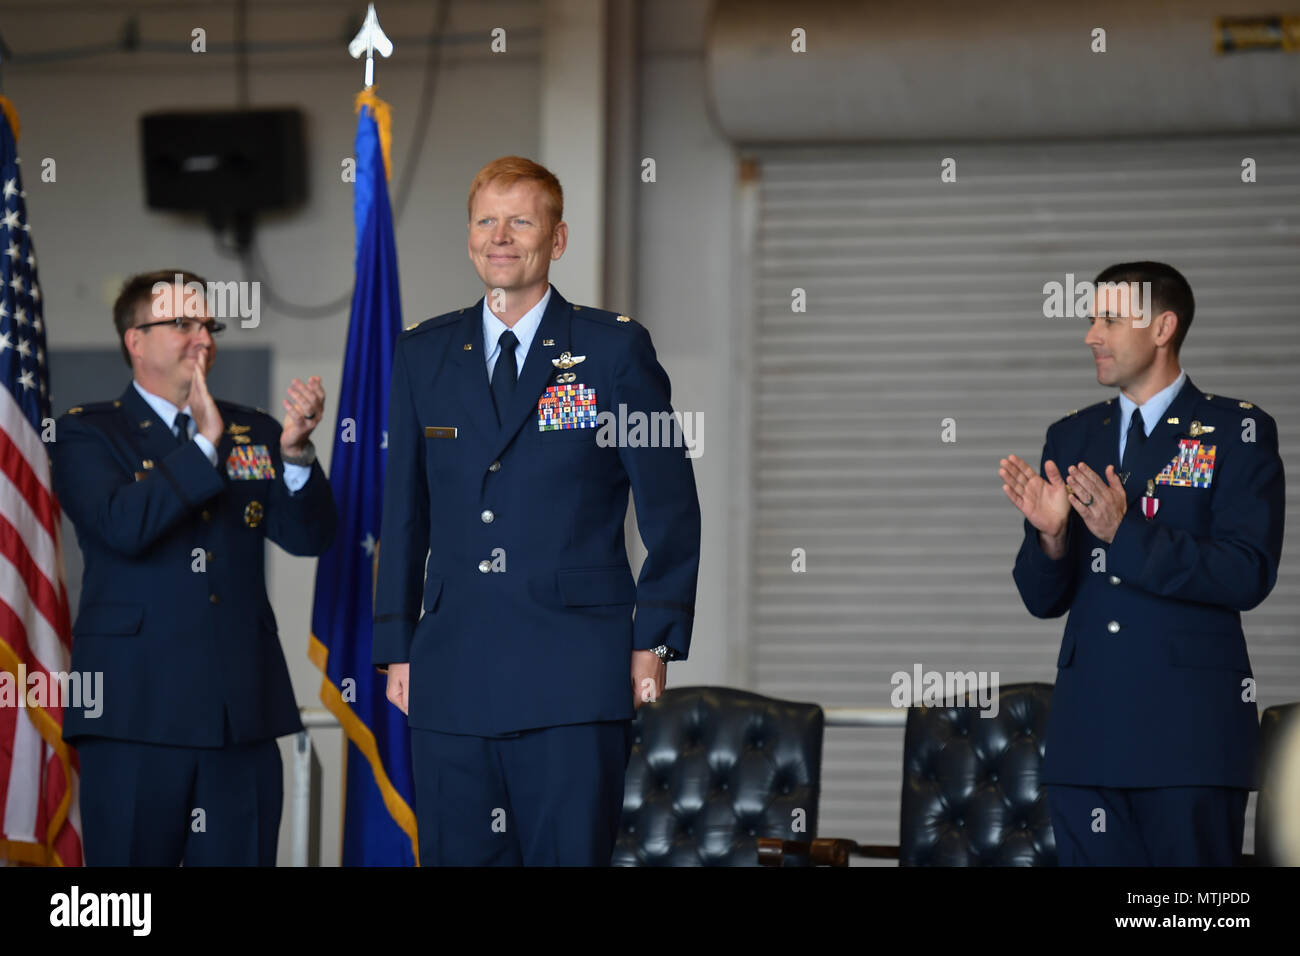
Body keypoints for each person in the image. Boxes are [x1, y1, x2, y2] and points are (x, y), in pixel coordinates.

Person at [373, 156, 701, 866]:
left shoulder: (613, 350)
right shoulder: (422, 353)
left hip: (575, 674)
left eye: (521, 220)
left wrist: (657, 642)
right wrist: (396, 645)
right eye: (487, 220)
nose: (501, 236)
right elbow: (403, 512)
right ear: (468, 239)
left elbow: (671, 509)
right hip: (452, 671)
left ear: (556, 240)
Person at [999, 261, 1285, 865]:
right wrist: (1050, 539)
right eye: (1090, 318)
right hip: (1088, 740)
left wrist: (1124, 534)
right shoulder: (1072, 436)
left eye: (1108, 318)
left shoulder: (1236, 431)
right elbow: (1041, 598)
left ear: (1163, 328)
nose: (1090, 335)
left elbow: (1247, 571)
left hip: (1189, 740)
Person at [55, 269, 337, 865]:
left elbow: (309, 537)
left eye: (208, 324)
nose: (202, 337)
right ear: (136, 340)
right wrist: (205, 447)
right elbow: (122, 526)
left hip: (239, 714)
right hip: (134, 712)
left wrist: (294, 455)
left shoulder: (256, 430)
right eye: (183, 324)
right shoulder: (86, 431)